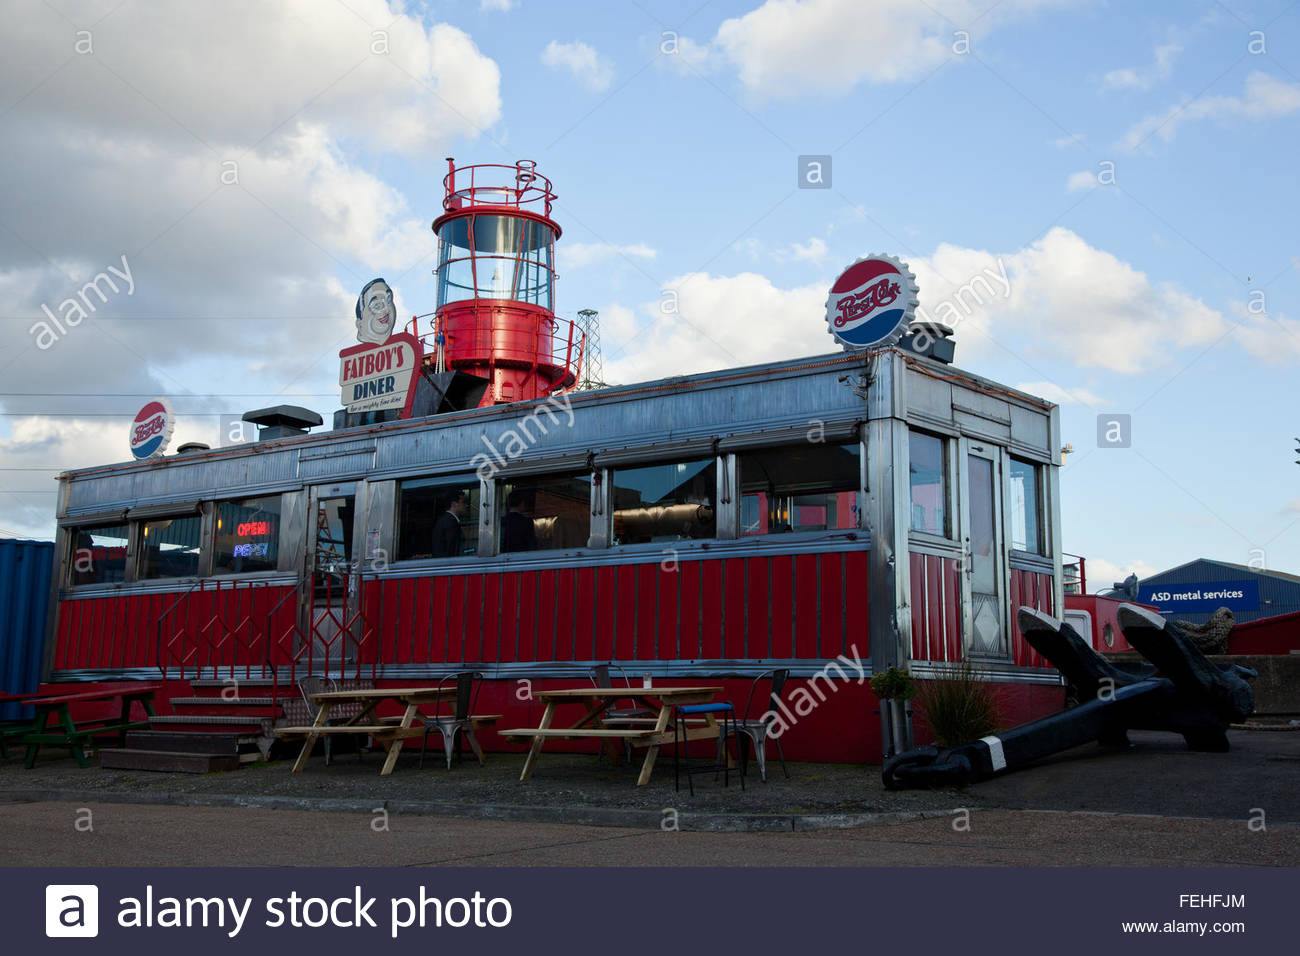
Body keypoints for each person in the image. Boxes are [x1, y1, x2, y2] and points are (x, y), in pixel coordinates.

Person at [432, 491, 468, 558]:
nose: (466, 505)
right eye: (463, 502)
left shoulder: (445, 520)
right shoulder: (450, 523)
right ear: (454, 504)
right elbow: (452, 551)